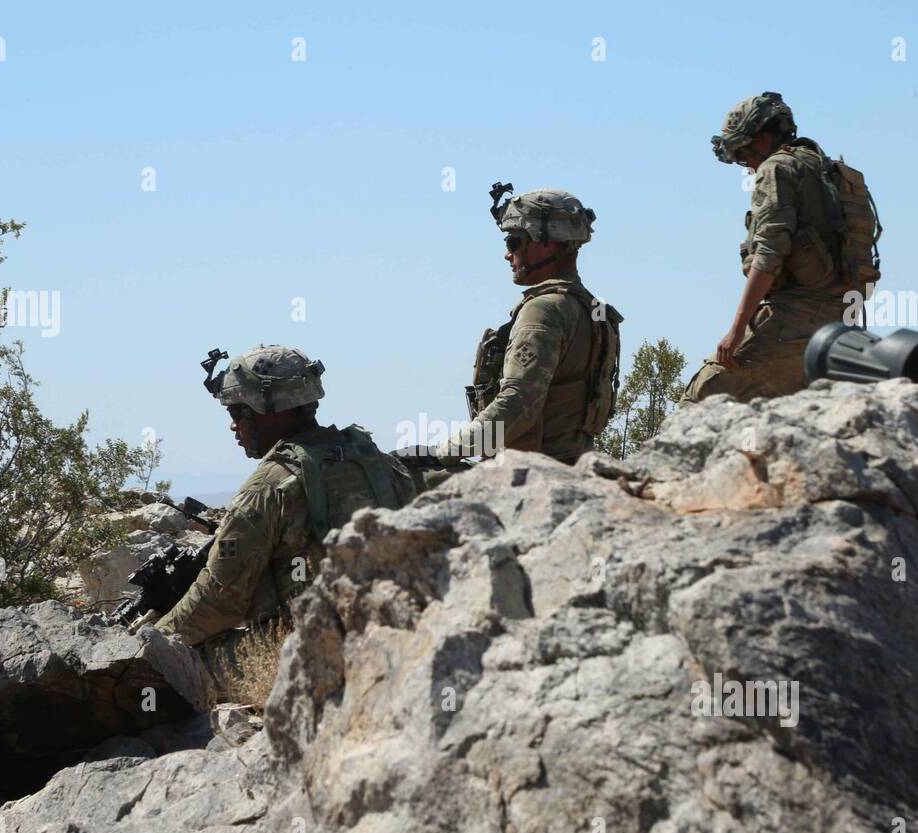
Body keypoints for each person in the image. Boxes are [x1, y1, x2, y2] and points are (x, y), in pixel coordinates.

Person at [149, 345, 416, 672]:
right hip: (399, 630)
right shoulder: (375, 461)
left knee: (180, 664)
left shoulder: (269, 486)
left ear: (268, 412)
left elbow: (220, 601)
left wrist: (154, 641)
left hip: (320, 652)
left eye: (237, 413)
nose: (234, 426)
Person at [680, 92, 881, 405]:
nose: (744, 164)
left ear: (761, 138)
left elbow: (769, 255)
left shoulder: (777, 169)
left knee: (702, 396)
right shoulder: (828, 171)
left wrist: (737, 329)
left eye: (743, 152)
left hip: (795, 318)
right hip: (842, 320)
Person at [434, 183, 623, 465]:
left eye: (514, 242)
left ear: (545, 242)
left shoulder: (544, 310)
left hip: (531, 474)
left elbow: (517, 403)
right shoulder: (595, 311)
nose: (508, 255)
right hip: (575, 467)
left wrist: (442, 454)